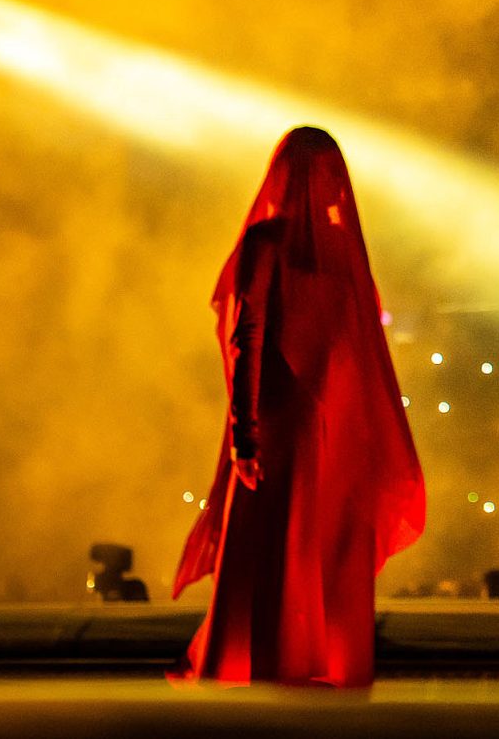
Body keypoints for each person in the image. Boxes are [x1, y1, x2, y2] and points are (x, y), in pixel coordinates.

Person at [172, 127, 426, 688]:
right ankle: (314, 662)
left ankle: (267, 662)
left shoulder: (274, 243)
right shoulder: (336, 253)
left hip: (284, 421)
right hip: (323, 426)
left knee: (276, 548)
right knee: (306, 545)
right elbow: (346, 351)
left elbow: (249, 338)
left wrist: (245, 434)